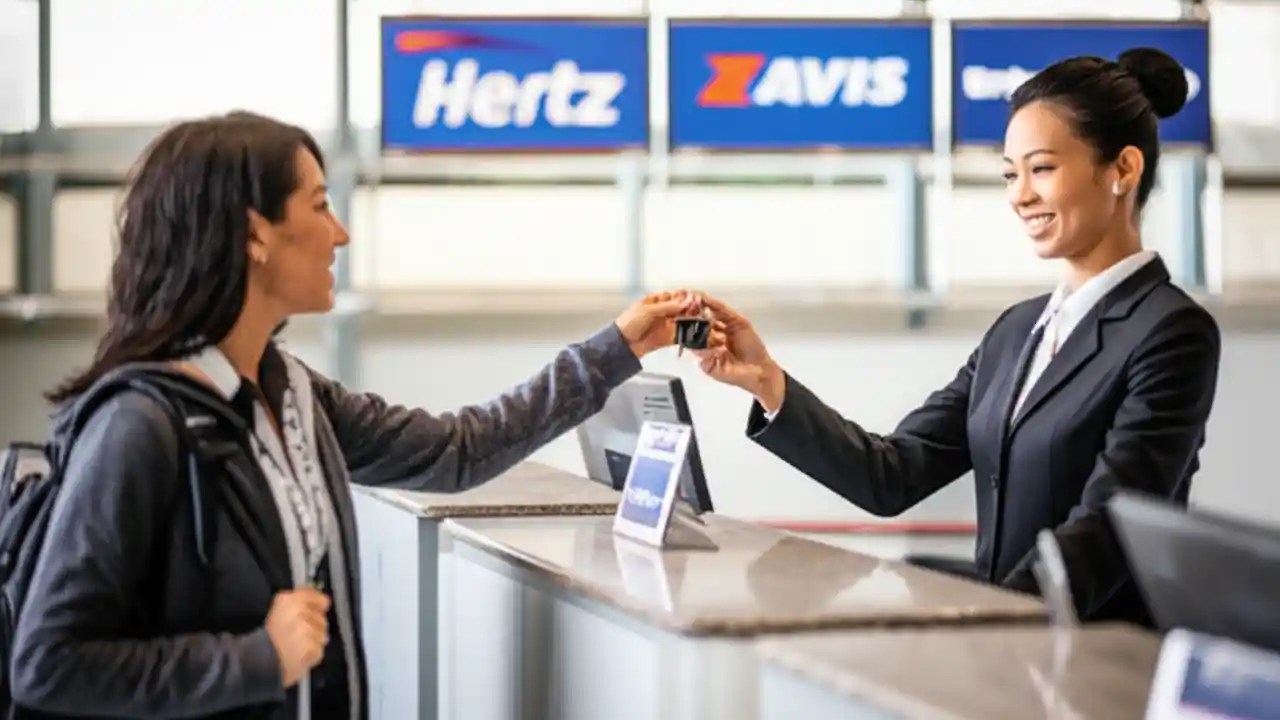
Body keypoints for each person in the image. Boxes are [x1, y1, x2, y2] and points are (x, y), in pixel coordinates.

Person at [9, 110, 711, 719]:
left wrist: (617, 348)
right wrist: (253, 659)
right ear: (256, 233)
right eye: (318, 205)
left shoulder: (292, 395)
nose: (339, 233)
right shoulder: (139, 425)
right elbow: (48, 663)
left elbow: (457, 449)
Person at [690, 47, 1221, 626]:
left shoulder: (1170, 331)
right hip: (1007, 659)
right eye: (1010, 174)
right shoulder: (1017, 330)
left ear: (1123, 169)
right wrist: (768, 382)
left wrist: (985, 622)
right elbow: (890, 475)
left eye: (1041, 169)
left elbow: (1106, 528)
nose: (1019, 195)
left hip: (1093, 665)